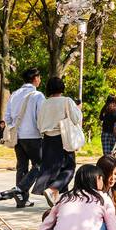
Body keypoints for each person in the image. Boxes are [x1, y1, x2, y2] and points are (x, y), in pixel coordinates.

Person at [31, 76, 82, 205]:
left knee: (52, 169)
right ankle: (53, 189)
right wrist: (78, 109)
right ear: (62, 87)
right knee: (69, 168)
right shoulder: (66, 101)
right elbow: (76, 119)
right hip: (63, 138)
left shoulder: (44, 103)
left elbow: (39, 123)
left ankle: (61, 200)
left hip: (48, 139)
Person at [3, 67, 44, 207]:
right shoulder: (37, 95)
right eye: (39, 77)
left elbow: (7, 117)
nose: (40, 79)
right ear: (35, 78)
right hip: (33, 135)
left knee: (21, 166)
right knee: (39, 164)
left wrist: (15, 125)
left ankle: (21, 199)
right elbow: (41, 117)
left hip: (17, 136)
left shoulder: (14, 94)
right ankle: (21, 188)